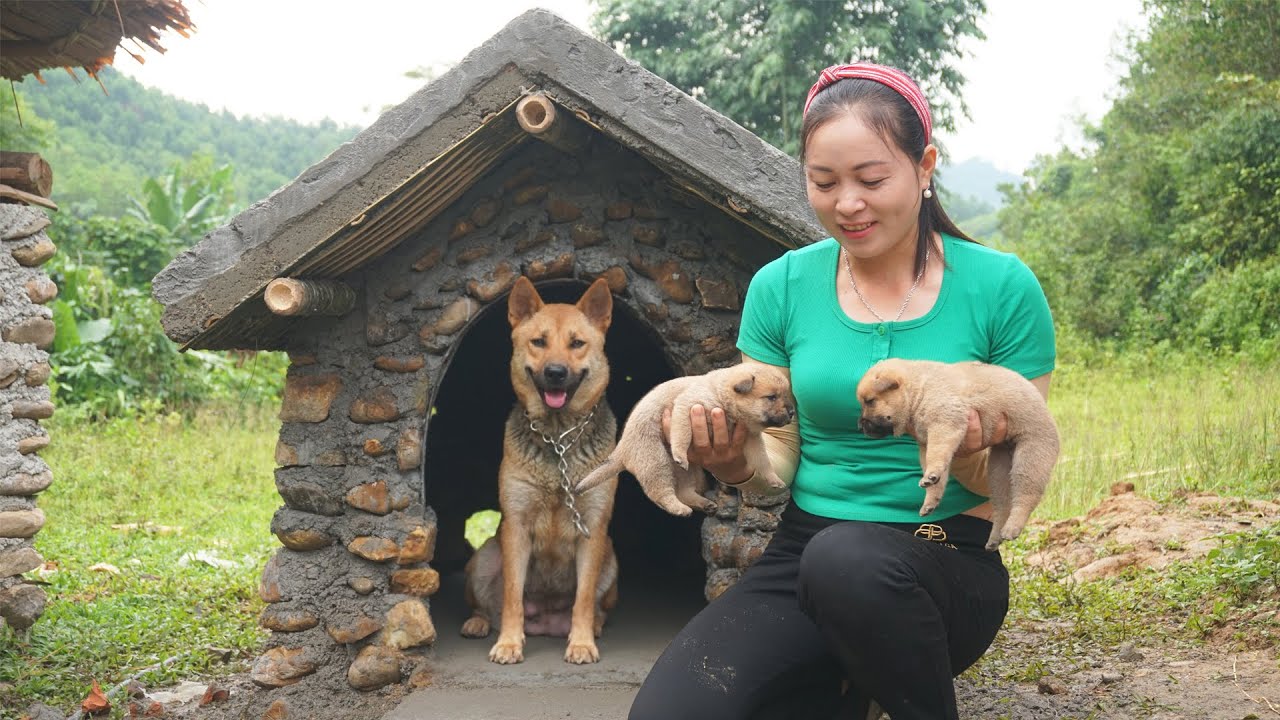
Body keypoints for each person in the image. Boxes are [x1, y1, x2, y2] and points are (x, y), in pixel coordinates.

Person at [628, 63, 1056, 720]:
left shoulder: (1002, 288)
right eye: (823, 183)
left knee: (849, 560)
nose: (846, 203)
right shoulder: (782, 287)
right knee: (672, 713)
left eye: (871, 179)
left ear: (925, 166)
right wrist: (730, 460)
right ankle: (843, 684)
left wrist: (969, 442)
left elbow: (1014, 461)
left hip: (946, 550)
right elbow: (777, 467)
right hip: (805, 549)